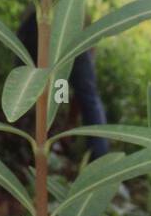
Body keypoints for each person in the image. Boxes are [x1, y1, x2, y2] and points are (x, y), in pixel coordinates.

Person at [17, 9, 110, 160]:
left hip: (37, 36)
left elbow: (66, 87)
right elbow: (78, 90)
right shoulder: (77, 24)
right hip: (38, 35)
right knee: (88, 99)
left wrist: (68, 123)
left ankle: (48, 143)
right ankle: (100, 162)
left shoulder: (74, 18)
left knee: (72, 94)